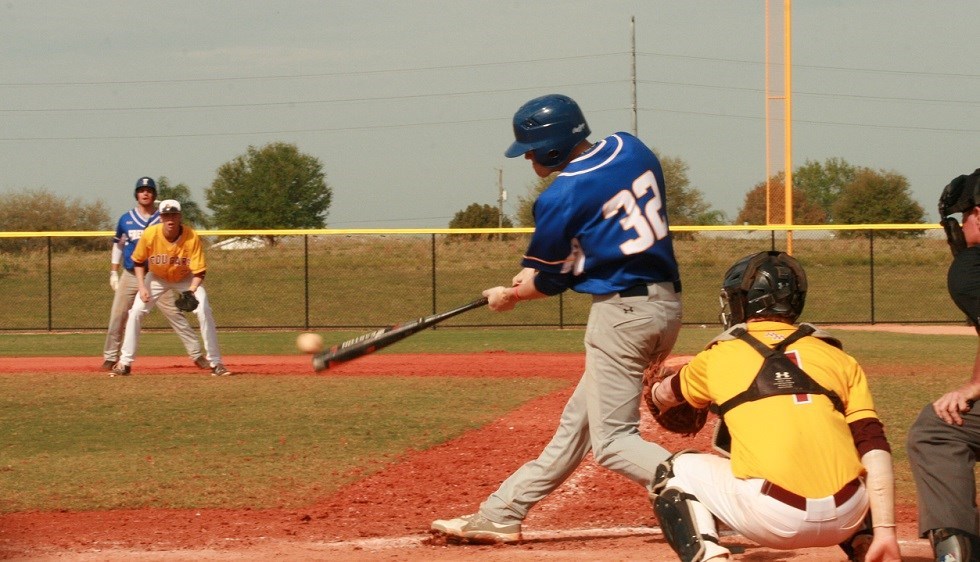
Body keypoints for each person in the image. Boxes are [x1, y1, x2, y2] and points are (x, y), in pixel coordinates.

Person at [430, 93, 683, 543]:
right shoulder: (632, 147)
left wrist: (508, 296)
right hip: (663, 307)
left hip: (622, 314)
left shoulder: (561, 195)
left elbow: (548, 282)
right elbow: (583, 243)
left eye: (530, 147)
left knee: (614, 444)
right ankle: (502, 512)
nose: (527, 156)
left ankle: (710, 493)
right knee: (578, 426)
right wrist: (531, 275)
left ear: (551, 146)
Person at [646, 251, 901, 562]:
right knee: (855, 457)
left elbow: (665, 396)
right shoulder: (839, 357)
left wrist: (656, 387)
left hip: (773, 519)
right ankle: (867, 542)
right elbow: (875, 446)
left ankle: (710, 557)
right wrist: (887, 530)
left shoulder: (718, 356)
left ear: (746, 301)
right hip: (847, 515)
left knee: (671, 470)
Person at [906, 169, 980, 562]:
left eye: (962, 215)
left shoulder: (971, 267)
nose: (958, 226)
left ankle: (958, 552)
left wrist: (972, 388)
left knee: (937, 430)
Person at [111, 199, 231, 377]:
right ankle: (125, 363)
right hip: (156, 278)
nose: (170, 219)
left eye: (173, 214)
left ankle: (216, 363)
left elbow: (199, 271)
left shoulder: (191, 237)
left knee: (204, 310)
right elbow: (138, 261)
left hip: (185, 278)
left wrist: (191, 290)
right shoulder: (151, 234)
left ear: (179, 216)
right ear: (160, 217)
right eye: (166, 215)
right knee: (136, 311)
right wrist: (142, 286)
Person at [102, 177, 208, 372]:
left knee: (175, 314)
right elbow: (118, 245)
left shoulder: (162, 217)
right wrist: (113, 272)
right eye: (141, 190)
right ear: (136, 194)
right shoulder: (126, 219)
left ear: (154, 195)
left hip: (158, 274)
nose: (145, 193)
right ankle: (110, 357)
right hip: (130, 273)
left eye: (149, 190)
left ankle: (197, 355)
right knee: (118, 315)